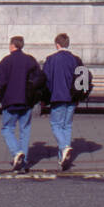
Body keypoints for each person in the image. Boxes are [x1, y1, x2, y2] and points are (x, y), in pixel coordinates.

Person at [0, 36, 41, 173]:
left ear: (12, 45)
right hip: (26, 101)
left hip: (10, 101)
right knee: (25, 131)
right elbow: (39, 80)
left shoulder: (5, 61)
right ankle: (24, 161)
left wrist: (3, 99)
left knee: (7, 129)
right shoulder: (30, 60)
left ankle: (17, 152)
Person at [42, 33, 82, 170]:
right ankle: (63, 158)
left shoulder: (51, 59)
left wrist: (44, 100)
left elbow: (45, 81)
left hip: (57, 97)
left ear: (57, 44)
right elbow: (82, 79)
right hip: (72, 98)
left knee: (55, 125)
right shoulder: (75, 59)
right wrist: (79, 97)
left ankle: (64, 148)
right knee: (67, 126)